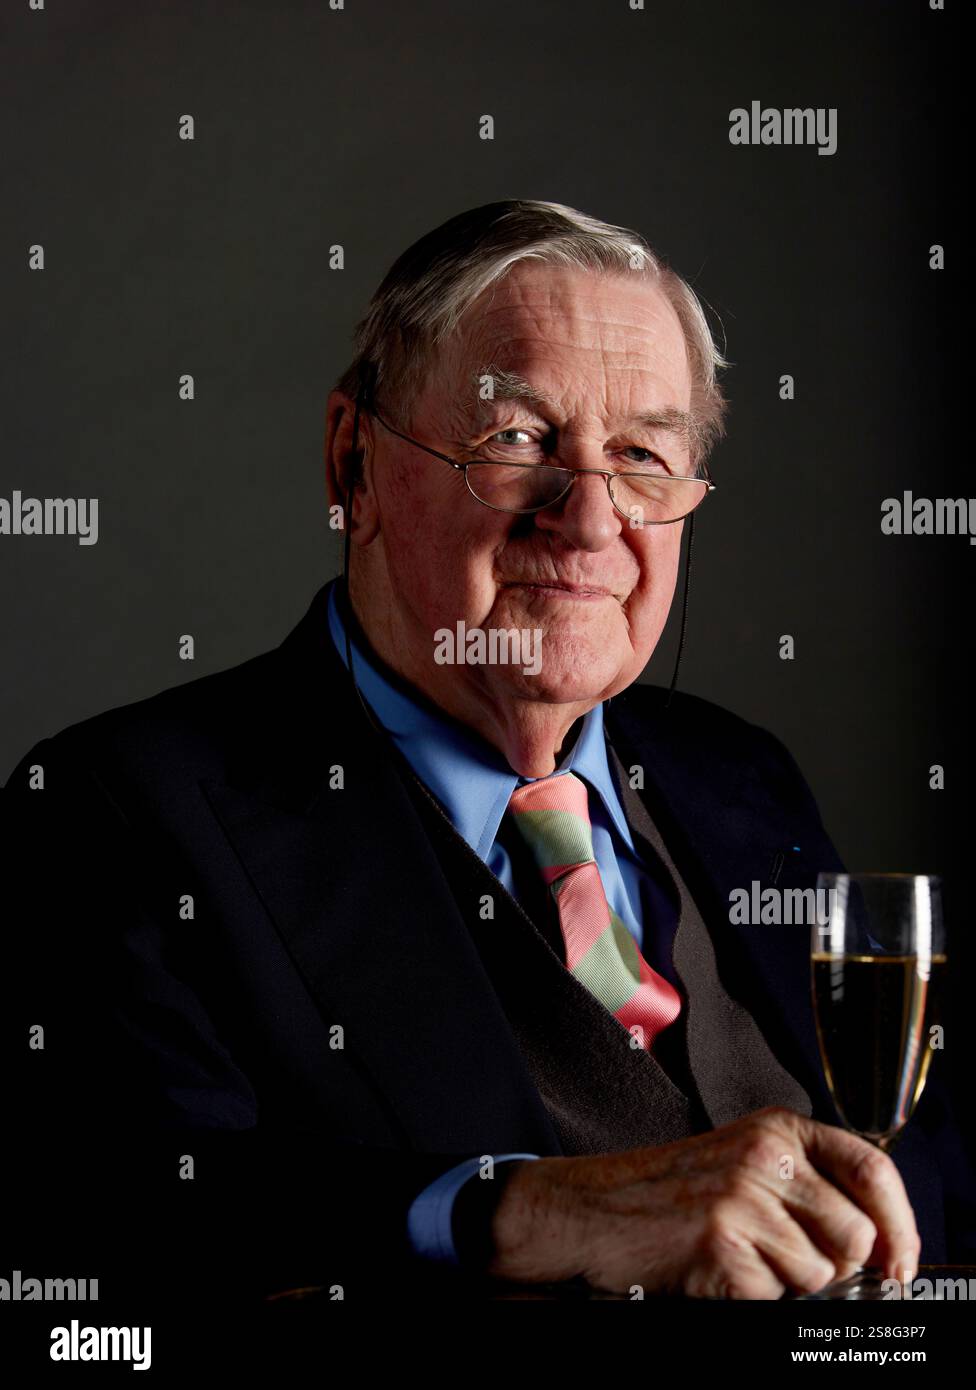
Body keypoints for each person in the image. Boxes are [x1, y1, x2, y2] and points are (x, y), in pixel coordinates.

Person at [3, 201, 972, 1304]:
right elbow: (107, 1246)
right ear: (352, 463)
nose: (591, 517)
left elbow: (933, 1206)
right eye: (516, 439)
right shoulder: (114, 814)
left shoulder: (738, 776)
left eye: (644, 455)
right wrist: (529, 1209)